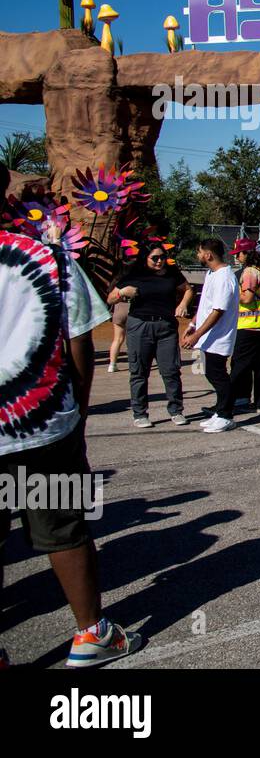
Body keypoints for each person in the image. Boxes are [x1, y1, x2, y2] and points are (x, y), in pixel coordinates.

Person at [0, 162, 142, 668]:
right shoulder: (48, 259)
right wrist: (76, 414)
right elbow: (80, 341)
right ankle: (90, 633)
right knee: (65, 531)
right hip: (44, 426)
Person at [107, 241, 192, 428]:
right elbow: (111, 297)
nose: (160, 261)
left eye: (163, 257)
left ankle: (176, 410)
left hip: (166, 326)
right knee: (139, 371)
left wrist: (183, 304)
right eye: (155, 258)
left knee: (171, 370)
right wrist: (122, 292)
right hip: (140, 325)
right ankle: (140, 413)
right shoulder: (134, 274)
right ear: (145, 258)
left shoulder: (172, 273)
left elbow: (187, 289)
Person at [181, 238, 240, 434]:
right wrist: (192, 324)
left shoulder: (224, 277)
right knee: (209, 372)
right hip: (207, 337)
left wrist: (197, 335)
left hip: (219, 337)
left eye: (199, 252)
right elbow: (206, 305)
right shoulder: (211, 274)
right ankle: (220, 410)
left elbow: (218, 310)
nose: (198, 255)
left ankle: (226, 415)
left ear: (208, 254)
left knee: (218, 375)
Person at [225, 239, 260, 418]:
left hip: (248, 326)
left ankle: (228, 401)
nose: (237, 258)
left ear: (246, 254)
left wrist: (232, 295)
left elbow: (247, 299)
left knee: (239, 365)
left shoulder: (249, 272)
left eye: (239, 254)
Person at [105, 272, 129, 373]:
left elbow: (110, 295)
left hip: (118, 309)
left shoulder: (117, 280)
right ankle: (134, 363)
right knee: (133, 339)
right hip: (131, 309)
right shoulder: (135, 278)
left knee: (117, 339)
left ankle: (112, 364)